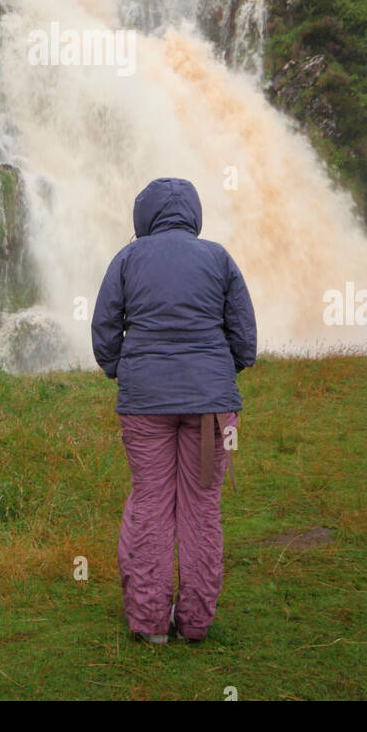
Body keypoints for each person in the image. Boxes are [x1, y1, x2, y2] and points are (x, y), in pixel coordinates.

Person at [91, 176, 257, 645]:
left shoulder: (127, 258)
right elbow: (244, 334)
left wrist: (119, 369)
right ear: (194, 214)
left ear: (144, 215)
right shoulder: (219, 257)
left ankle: (149, 625)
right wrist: (222, 375)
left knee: (151, 504)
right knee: (203, 510)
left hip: (145, 406)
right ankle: (196, 625)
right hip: (211, 412)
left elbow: (104, 326)